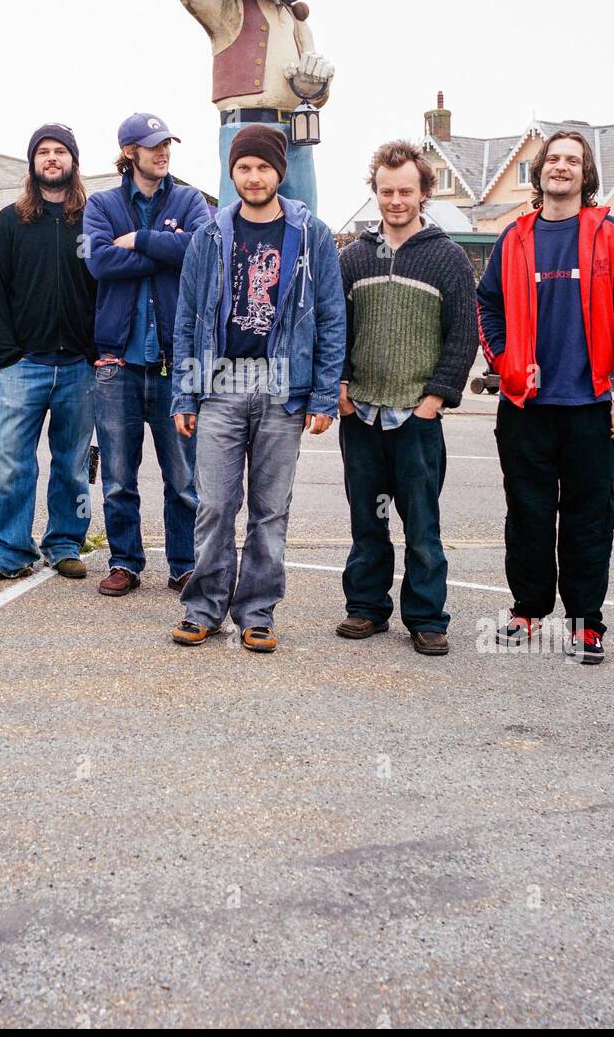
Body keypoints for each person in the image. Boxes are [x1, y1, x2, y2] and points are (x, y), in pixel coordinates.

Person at [169, 126, 345, 652]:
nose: (253, 176)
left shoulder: (312, 234)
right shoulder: (210, 236)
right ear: (232, 172)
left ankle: (257, 612)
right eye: (243, 167)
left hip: (281, 387)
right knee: (216, 505)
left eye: (263, 167)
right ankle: (203, 608)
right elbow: (187, 321)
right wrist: (185, 392)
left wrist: (322, 394)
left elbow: (332, 317)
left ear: (279, 172)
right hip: (220, 383)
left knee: (271, 510)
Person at [475, 127, 614, 664]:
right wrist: (504, 363)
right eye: (553, 159)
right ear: (540, 170)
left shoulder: (611, 234)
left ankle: (585, 622)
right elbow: (488, 307)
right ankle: (527, 609)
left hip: (591, 406)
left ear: (585, 174)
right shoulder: (514, 237)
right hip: (525, 408)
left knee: (589, 516)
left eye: (573, 160)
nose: (562, 167)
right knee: (526, 512)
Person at [336, 140, 478, 656]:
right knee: (367, 521)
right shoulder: (352, 257)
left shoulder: (448, 259)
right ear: (374, 191)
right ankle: (367, 609)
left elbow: (464, 337)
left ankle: (425, 617)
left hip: (416, 418)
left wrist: (434, 402)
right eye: (385, 190)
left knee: (422, 526)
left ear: (423, 193)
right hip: (362, 413)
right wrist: (343, 387)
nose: (395, 200)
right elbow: (337, 330)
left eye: (405, 191)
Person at [84, 112, 212, 596]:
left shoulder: (189, 199)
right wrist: (166, 249)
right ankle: (125, 562)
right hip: (117, 364)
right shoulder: (100, 204)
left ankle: (184, 563)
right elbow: (98, 262)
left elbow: (201, 251)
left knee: (183, 478)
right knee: (118, 476)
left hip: (177, 365)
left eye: (167, 145)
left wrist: (139, 240)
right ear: (129, 152)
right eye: (153, 145)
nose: (163, 152)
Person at [0, 124, 97, 582]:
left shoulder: (93, 219)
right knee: (10, 462)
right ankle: (11, 548)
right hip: (25, 366)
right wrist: (7, 354)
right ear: (32, 163)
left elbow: (106, 288)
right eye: (43, 152)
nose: (51, 158)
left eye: (59, 151)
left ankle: (65, 542)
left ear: (73, 161)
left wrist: (95, 350)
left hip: (80, 367)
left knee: (73, 464)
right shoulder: (11, 220)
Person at [170, 0, 334, 213]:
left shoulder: (297, 20)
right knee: (240, 224)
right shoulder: (233, 9)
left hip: (298, 136)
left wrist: (317, 86)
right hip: (244, 129)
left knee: (304, 221)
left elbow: (316, 97)